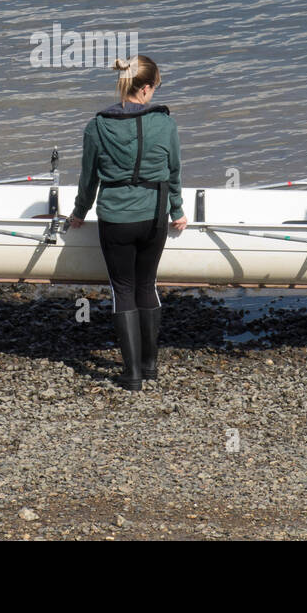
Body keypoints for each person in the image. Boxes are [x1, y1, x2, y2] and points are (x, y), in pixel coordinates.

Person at [69, 56, 187, 391]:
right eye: (156, 88)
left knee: (122, 289)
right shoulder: (166, 125)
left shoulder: (98, 126)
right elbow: (174, 172)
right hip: (154, 217)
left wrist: (79, 211)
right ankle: (150, 366)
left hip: (116, 219)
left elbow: (88, 178)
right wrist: (177, 210)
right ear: (146, 88)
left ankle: (132, 373)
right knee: (146, 285)